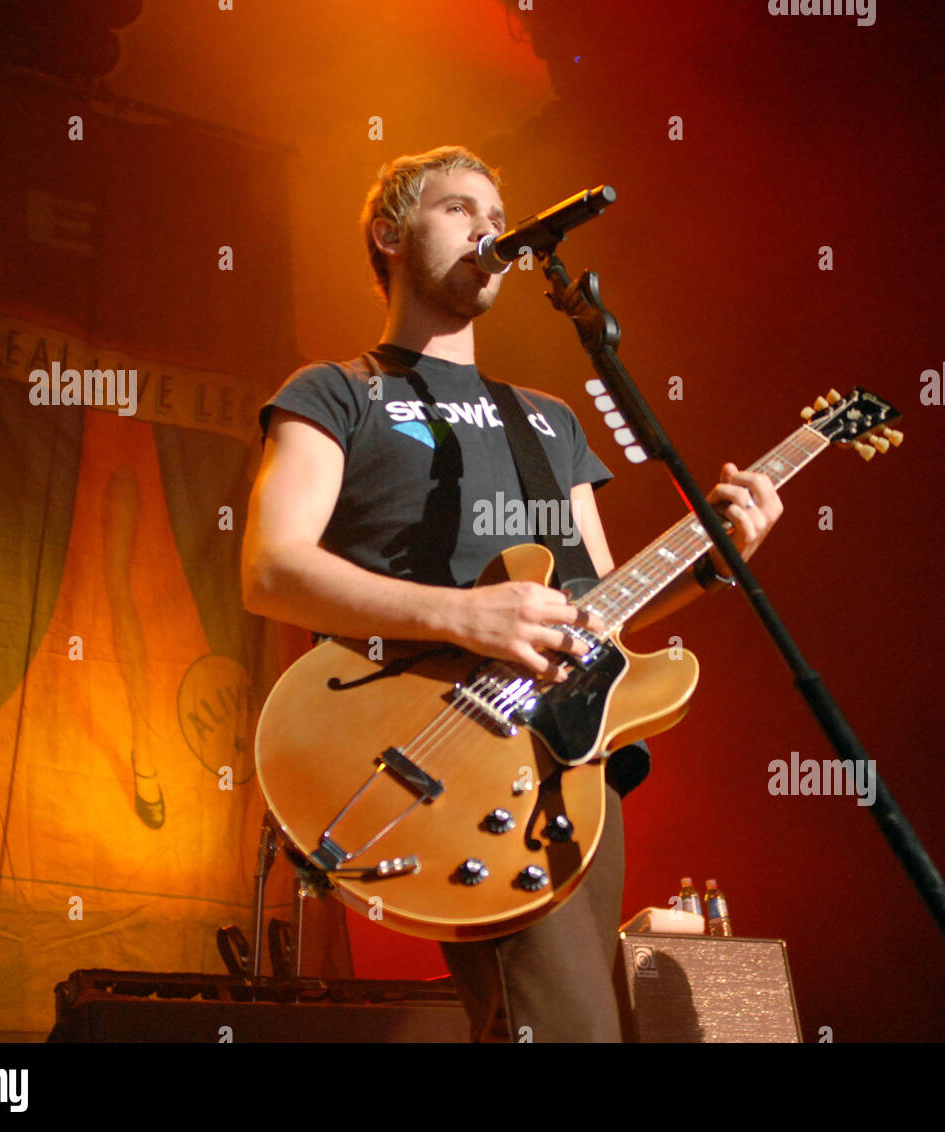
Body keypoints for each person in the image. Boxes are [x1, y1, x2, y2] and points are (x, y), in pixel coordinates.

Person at [241, 145, 783, 1041]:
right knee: (571, 1029)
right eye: (458, 209)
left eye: (497, 215)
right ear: (389, 234)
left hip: (561, 756)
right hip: (423, 735)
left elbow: (601, 604)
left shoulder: (549, 420)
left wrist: (716, 558)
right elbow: (270, 567)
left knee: (566, 1024)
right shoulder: (337, 392)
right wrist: (462, 613)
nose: (489, 228)